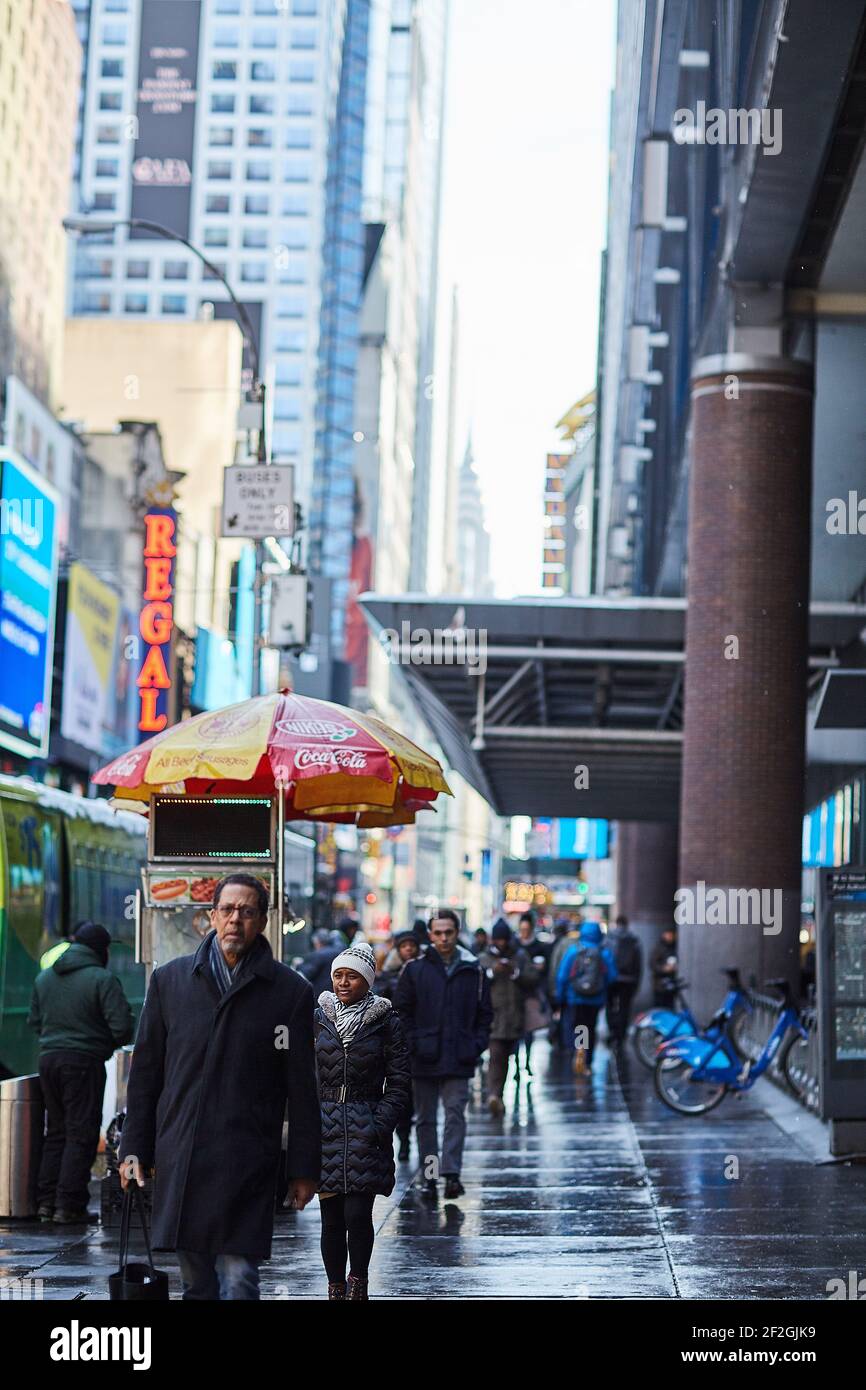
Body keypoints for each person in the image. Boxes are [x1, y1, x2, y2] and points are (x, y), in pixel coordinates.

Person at [119, 873, 321, 1301]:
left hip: (246, 1159)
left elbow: (302, 1088)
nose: (235, 920)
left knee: (239, 1279)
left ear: (263, 921)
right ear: (210, 916)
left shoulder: (289, 994)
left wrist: (303, 1169)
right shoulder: (171, 982)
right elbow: (146, 1076)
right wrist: (133, 1150)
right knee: (198, 1286)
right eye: (227, 910)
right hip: (184, 1157)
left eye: (247, 912)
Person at [314, 940, 410, 1300]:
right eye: (338, 975)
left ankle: (359, 1281)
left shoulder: (386, 1022)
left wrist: (380, 1123)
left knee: (357, 1215)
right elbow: (306, 1074)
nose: (342, 982)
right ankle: (335, 1287)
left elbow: (399, 1080)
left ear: (367, 981)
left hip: (365, 1125)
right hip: (325, 1127)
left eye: (351, 976)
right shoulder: (319, 1018)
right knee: (331, 1218)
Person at [28, 922, 134, 1224]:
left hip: (48, 1059)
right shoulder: (102, 979)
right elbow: (121, 1027)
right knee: (81, 1132)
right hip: (83, 1062)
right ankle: (68, 1204)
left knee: (56, 1132)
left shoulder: (45, 977)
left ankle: (45, 1203)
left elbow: (34, 1021)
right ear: (102, 949)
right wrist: (98, 1040)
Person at [394, 908, 492, 1200]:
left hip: (459, 1055)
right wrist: (414, 1043)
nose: (444, 938)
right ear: (430, 935)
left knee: (454, 1115)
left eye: (448, 932)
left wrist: (476, 1044)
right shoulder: (415, 970)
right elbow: (402, 1011)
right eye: (438, 933)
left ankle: (451, 1174)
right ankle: (431, 1175)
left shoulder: (472, 969)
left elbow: (485, 1014)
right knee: (425, 1120)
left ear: (457, 932)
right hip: (425, 1056)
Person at [479, 920, 540, 1114]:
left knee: (507, 1056)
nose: (501, 944)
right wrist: (492, 973)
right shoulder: (484, 957)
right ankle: (494, 1095)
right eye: (498, 940)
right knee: (496, 1056)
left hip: (515, 1016)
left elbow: (533, 979)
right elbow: (475, 981)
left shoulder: (520, 956)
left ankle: (498, 1094)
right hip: (493, 1018)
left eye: (504, 940)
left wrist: (515, 973)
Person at [555, 921, 617, 1071]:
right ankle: (588, 1061)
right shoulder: (604, 952)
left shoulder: (573, 951)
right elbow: (612, 976)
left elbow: (562, 976)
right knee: (590, 1027)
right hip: (595, 998)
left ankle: (578, 1049)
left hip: (575, 997)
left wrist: (560, 997)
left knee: (578, 1026)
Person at [515, 912, 551, 1072]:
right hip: (515, 994)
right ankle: (516, 1064)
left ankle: (527, 1061)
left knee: (529, 1030)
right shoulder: (514, 945)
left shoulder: (539, 947)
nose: (524, 932)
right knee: (515, 1031)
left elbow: (546, 970)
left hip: (531, 993)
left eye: (526, 929)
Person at [605, 914, 643, 1046]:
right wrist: (637, 982)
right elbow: (638, 964)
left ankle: (612, 1031)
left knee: (610, 1006)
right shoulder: (634, 940)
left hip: (611, 979)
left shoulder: (609, 938)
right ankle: (621, 1034)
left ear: (616, 923)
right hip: (628, 980)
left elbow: (604, 959)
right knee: (624, 1007)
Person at [298, 929, 344, 995]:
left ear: (318, 942)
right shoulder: (339, 952)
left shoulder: (319, 955)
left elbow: (308, 973)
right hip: (336, 992)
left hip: (321, 993)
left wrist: (299, 965)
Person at [650, 927, 678, 1006]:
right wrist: (664, 969)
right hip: (660, 984)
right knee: (659, 1005)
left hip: (671, 983)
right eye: (668, 935)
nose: (670, 937)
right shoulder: (658, 948)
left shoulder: (675, 948)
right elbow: (652, 964)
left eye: (672, 935)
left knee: (670, 1005)